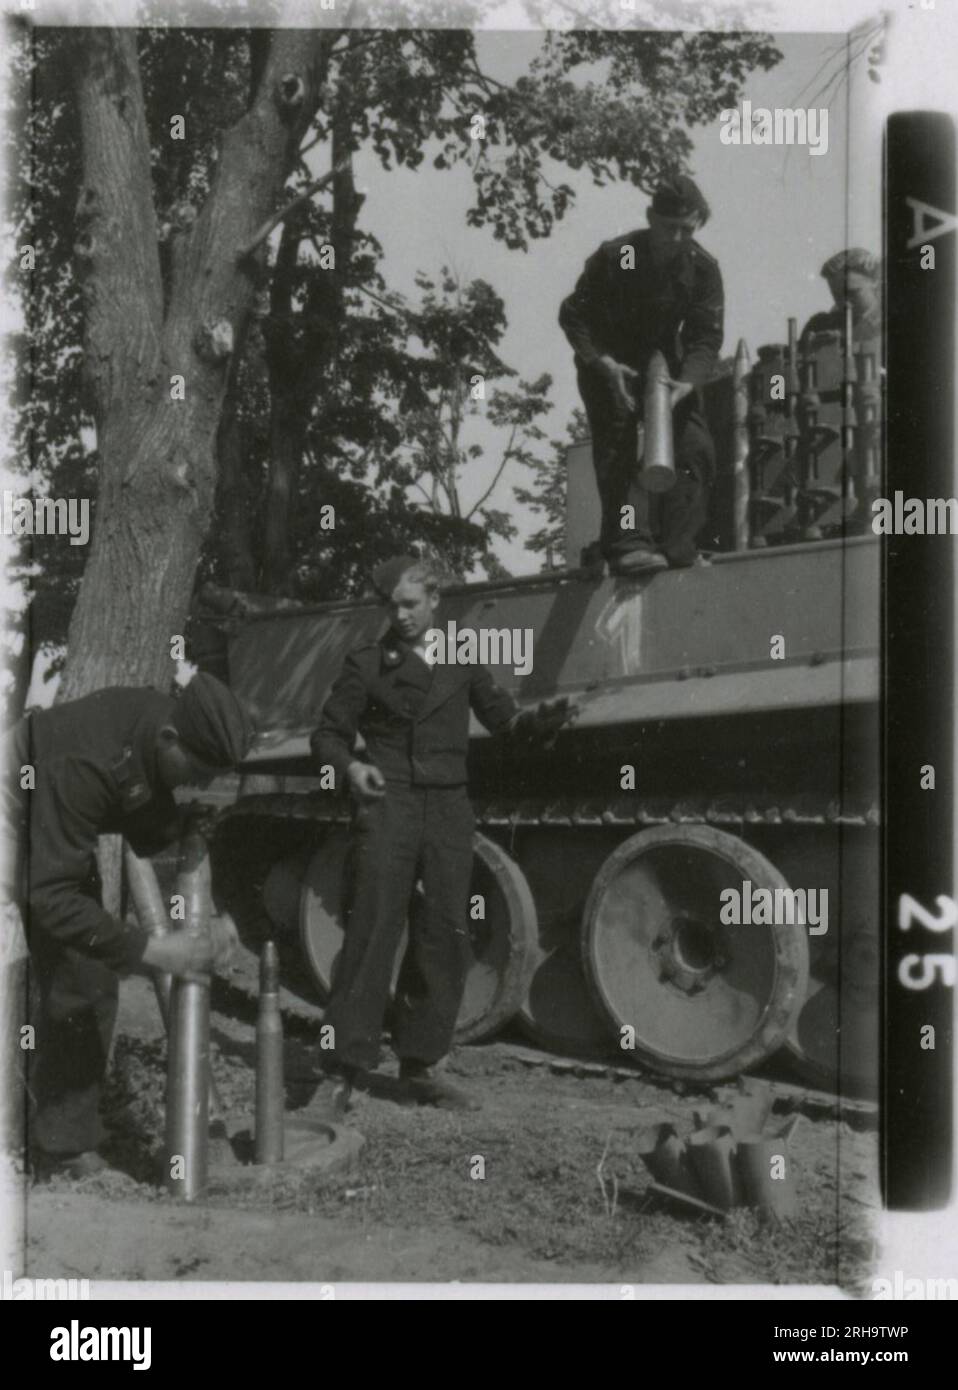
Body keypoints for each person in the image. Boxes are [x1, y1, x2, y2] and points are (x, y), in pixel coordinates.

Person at [309, 556, 572, 1117]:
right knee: (373, 925)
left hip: (449, 806)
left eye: (411, 605)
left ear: (435, 603)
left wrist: (538, 724)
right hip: (390, 801)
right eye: (393, 606)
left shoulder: (462, 659)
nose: (400, 616)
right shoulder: (368, 663)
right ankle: (344, 1069)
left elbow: (505, 720)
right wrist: (351, 769)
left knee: (446, 930)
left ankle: (421, 1065)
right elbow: (328, 737)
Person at [1, 673, 254, 1179]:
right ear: (170, 739)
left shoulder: (158, 731)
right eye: (200, 771)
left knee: (87, 973)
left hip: (54, 820)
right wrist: (155, 952)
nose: (201, 784)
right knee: (58, 950)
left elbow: (139, 795)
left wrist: (179, 828)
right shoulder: (84, 765)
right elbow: (49, 896)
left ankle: (63, 1143)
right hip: (15, 810)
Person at [559, 173, 724, 575]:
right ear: (651, 217)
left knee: (695, 446)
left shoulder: (702, 269)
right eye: (671, 228)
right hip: (609, 361)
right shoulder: (620, 256)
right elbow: (575, 315)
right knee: (618, 446)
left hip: (666, 367)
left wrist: (689, 380)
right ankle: (627, 542)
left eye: (689, 229)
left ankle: (678, 546)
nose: (680, 239)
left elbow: (705, 336)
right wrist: (603, 363)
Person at [800, 248, 881, 344]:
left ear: (875, 283)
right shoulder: (820, 324)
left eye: (852, 293)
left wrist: (841, 337)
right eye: (837, 296)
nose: (845, 303)